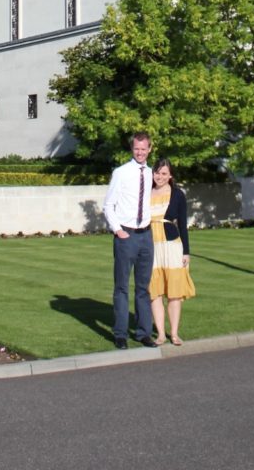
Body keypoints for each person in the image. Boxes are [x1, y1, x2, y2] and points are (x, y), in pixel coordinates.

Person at [102, 132, 158, 349]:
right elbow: (108, 205)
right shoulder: (121, 173)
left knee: (143, 288)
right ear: (132, 149)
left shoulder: (152, 173)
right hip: (127, 235)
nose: (140, 152)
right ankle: (120, 334)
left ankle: (144, 333)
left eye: (143, 149)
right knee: (122, 287)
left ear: (149, 149)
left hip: (146, 235)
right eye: (136, 149)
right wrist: (118, 230)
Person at [148, 158, 195, 345]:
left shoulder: (177, 195)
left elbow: (182, 224)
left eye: (164, 173)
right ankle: (160, 334)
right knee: (155, 291)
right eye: (157, 173)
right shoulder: (145, 193)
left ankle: (174, 333)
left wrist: (186, 252)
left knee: (174, 292)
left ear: (170, 176)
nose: (160, 177)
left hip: (172, 246)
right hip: (151, 246)